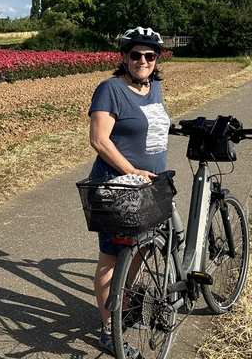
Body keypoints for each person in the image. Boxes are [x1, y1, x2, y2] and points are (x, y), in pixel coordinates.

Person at [87, 26, 170, 355]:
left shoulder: (156, 88)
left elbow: (151, 127)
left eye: (150, 55)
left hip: (152, 184)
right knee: (113, 257)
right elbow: (99, 140)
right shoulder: (109, 89)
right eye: (135, 55)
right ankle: (108, 328)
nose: (142, 60)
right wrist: (131, 170)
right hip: (116, 186)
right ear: (123, 57)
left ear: (156, 59)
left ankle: (122, 301)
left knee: (143, 249)